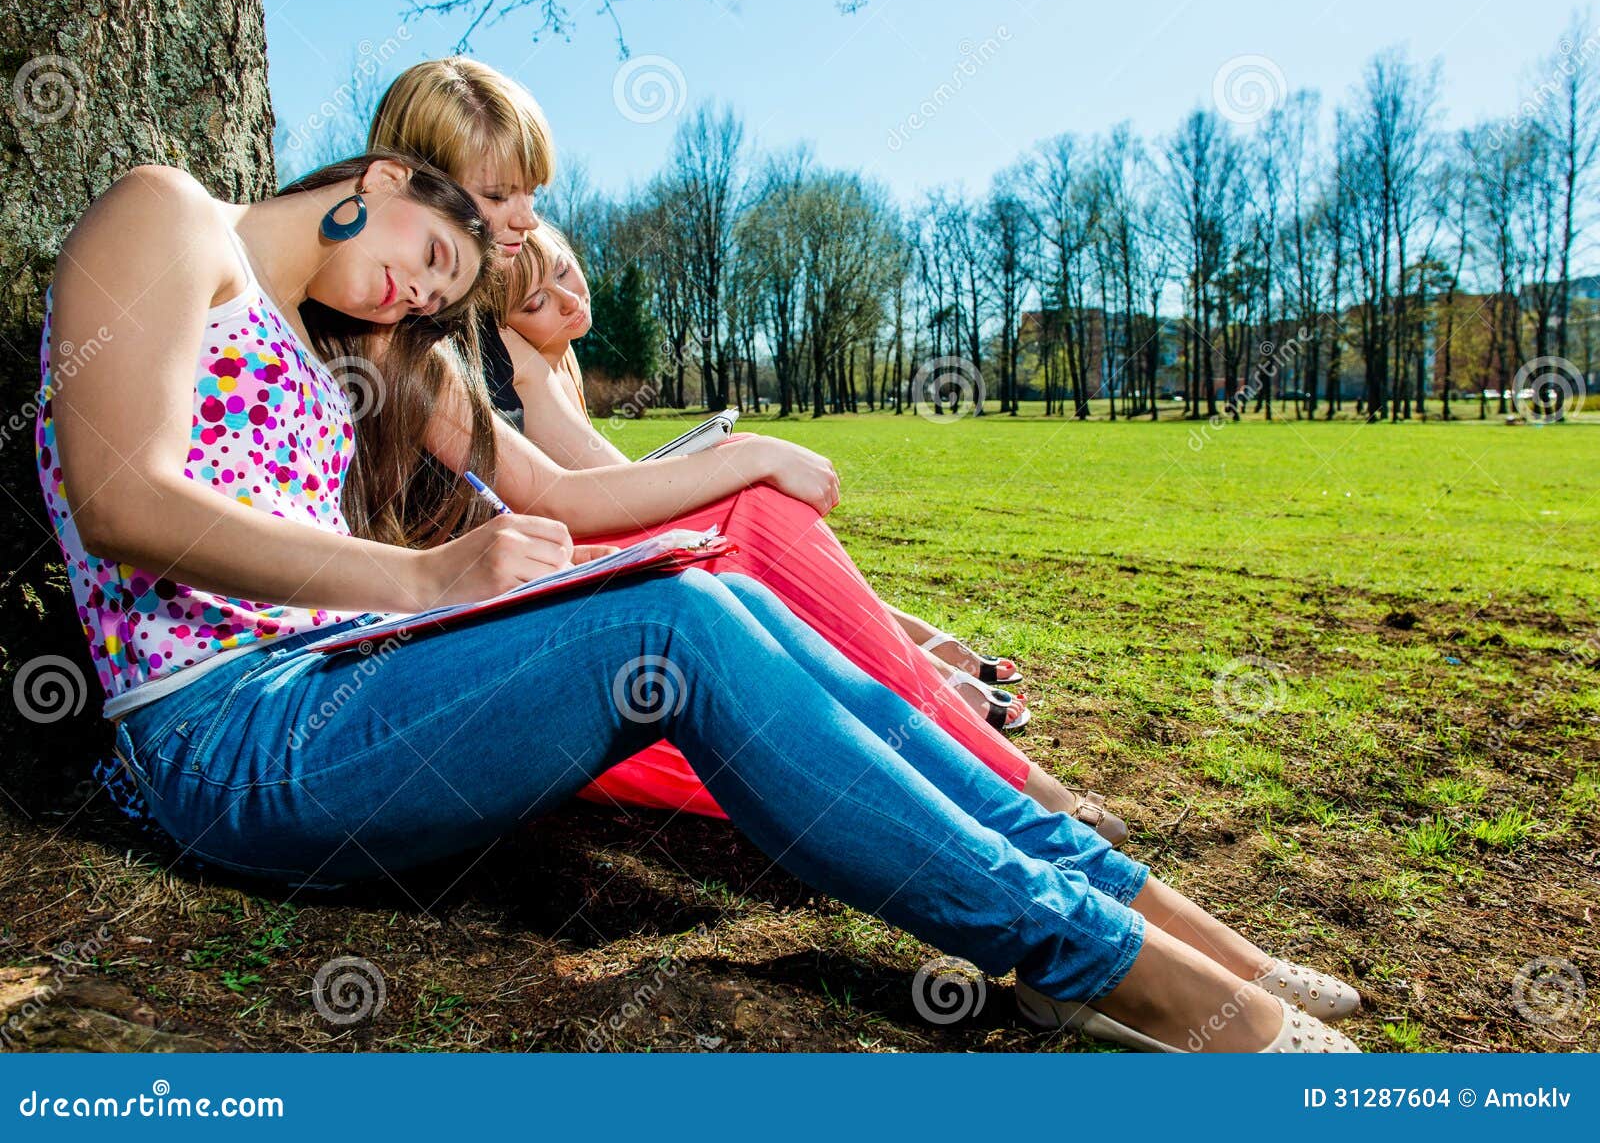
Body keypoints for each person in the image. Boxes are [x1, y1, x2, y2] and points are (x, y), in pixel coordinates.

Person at [37, 153, 1360, 1053]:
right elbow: (121, 497)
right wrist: (430, 577)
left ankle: (1136, 911)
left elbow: (534, 476)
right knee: (671, 625)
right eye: (432, 252)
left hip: (355, 682)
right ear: (380, 182)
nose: (420, 294)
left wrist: (452, 586)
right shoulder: (169, 214)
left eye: (443, 293)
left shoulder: (344, 344)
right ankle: (1101, 963)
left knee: (708, 590)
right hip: (227, 736)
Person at [366, 56, 1127, 840]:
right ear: (408, 184)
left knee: (742, 532)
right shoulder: (409, 343)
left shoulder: (462, 331)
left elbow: (565, 492)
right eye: (498, 197)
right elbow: (559, 497)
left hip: (531, 605)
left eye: (533, 196)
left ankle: (983, 771)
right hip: (471, 652)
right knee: (736, 545)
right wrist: (747, 453)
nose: (525, 219)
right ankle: (980, 782)